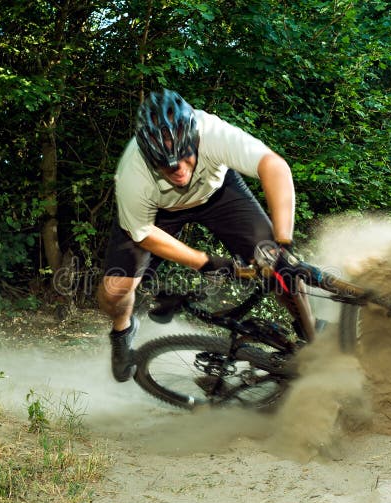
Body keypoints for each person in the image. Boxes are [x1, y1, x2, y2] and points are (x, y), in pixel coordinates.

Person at [97, 89, 308, 382]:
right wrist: (205, 262)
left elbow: (273, 166)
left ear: (194, 140)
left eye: (185, 157)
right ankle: (122, 330)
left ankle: (309, 334)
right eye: (166, 164)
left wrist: (283, 242)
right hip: (158, 212)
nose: (179, 172)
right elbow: (143, 234)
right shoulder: (134, 169)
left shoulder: (212, 132)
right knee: (114, 290)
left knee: (280, 264)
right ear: (148, 154)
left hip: (217, 194)